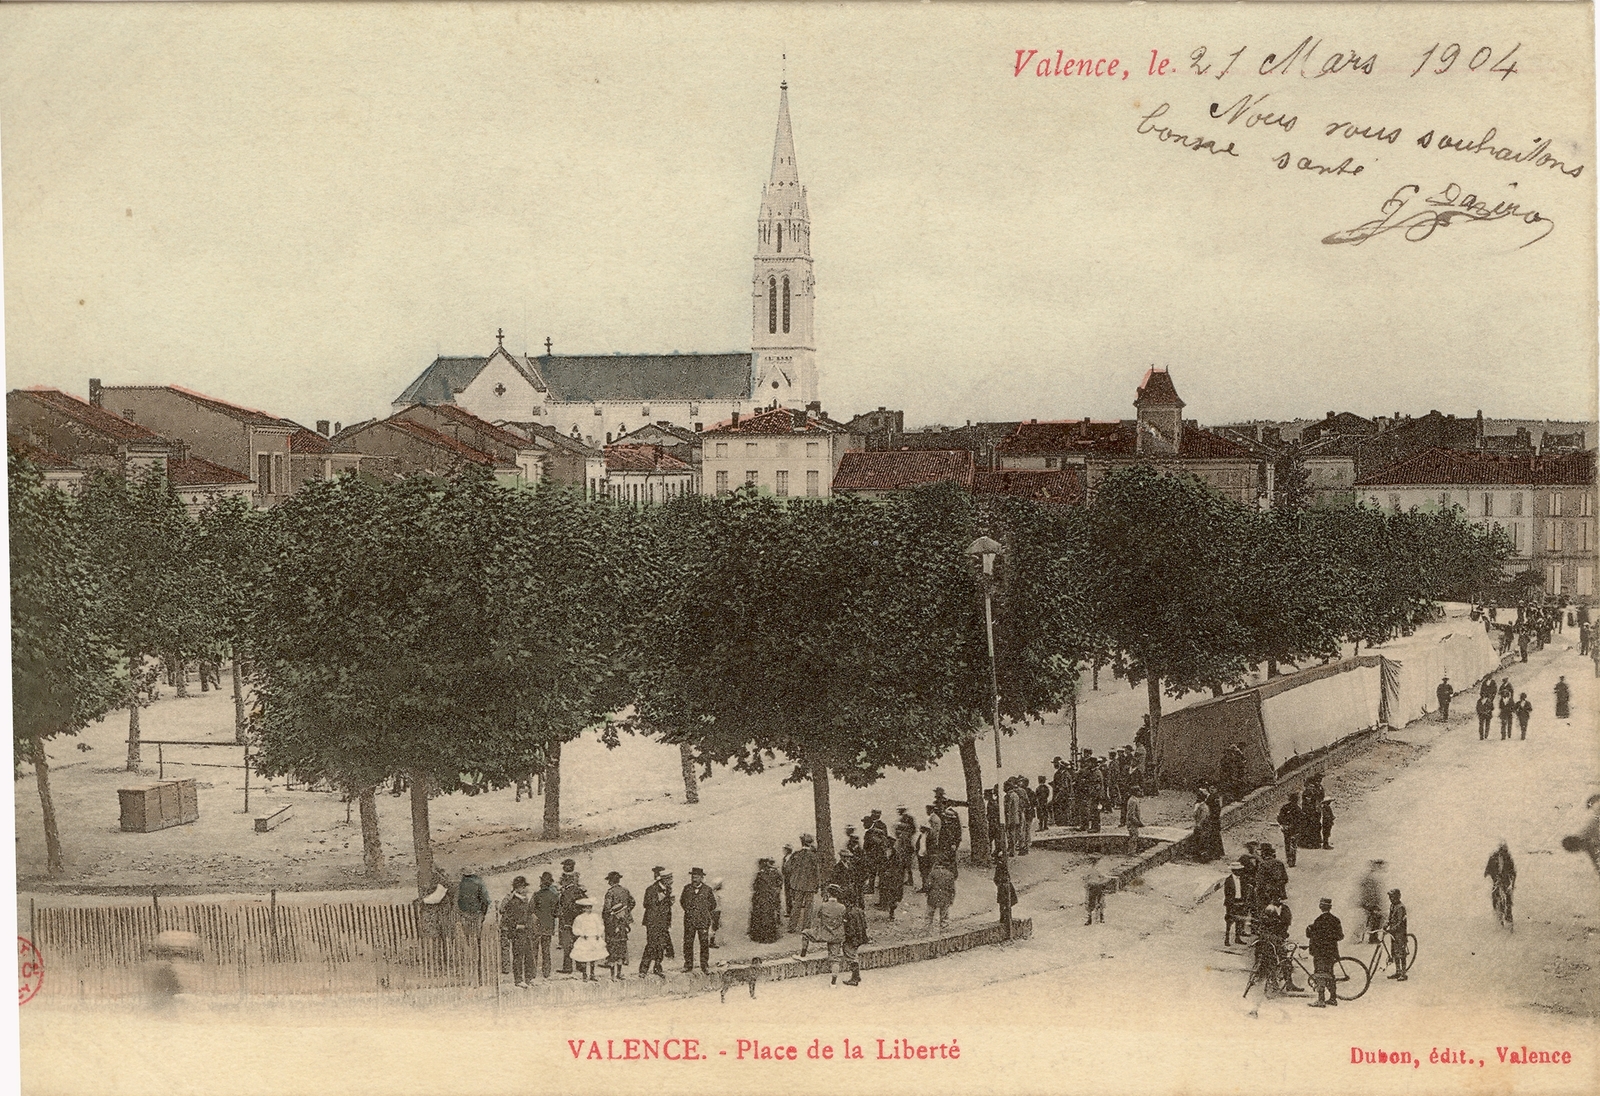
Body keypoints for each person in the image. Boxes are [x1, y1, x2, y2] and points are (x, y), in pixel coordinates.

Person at [802, 885, 849, 985]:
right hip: (836, 936)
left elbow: (817, 917)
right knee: (835, 958)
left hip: (823, 934)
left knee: (805, 933)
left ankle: (803, 954)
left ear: (828, 894)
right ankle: (833, 983)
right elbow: (845, 920)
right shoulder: (842, 907)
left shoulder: (823, 906)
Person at [1257, 896, 1303, 993]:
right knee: (1271, 963)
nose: (1276, 899)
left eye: (1277, 897)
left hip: (1280, 939)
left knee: (1285, 961)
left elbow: (1287, 922)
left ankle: (1289, 983)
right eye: (1274, 897)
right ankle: (1273, 983)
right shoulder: (1267, 909)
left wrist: (1283, 934)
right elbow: (1262, 925)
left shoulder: (1285, 909)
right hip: (1269, 941)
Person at [1305, 898, 1345, 1007]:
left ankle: (1321, 1000)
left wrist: (1309, 929)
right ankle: (1333, 998)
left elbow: (1311, 935)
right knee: (1330, 974)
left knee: (1320, 974)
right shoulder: (1335, 920)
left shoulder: (1318, 921)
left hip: (1320, 952)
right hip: (1331, 952)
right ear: (1330, 907)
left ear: (1320, 907)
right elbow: (1340, 936)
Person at [680, 867, 718, 974]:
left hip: (703, 921)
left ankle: (704, 965)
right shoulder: (687, 888)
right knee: (688, 943)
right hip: (689, 921)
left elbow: (713, 904)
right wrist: (690, 911)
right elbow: (682, 901)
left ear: (702, 878)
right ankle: (688, 965)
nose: (694, 879)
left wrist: (703, 911)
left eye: (696, 877)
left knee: (704, 944)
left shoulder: (707, 890)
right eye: (693, 877)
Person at [638, 867, 674, 977]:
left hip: (663, 922)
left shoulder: (668, 890)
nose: (671, 881)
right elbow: (646, 904)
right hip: (653, 922)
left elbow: (667, 908)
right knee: (651, 944)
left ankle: (657, 967)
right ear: (663, 879)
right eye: (669, 879)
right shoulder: (651, 889)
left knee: (661, 945)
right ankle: (643, 970)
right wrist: (660, 899)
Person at [501, 876, 535, 987]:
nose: (525, 889)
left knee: (529, 955)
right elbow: (507, 919)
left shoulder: (525, 900)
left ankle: (529, 978)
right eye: (523, 887)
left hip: (527, 932)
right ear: (518, 888)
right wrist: (516, 926)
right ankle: (519, 980)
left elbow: (529, 915)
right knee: (518, 956)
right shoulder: (512, 902)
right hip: (518, 934)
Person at [601, 871, 635, 980]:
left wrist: (606, 918)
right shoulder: (625, 891)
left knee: (612, 944)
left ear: (610, 881)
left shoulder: (610, 893)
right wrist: (626, 912)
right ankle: (620, 969)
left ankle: (611, 967)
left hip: (612, 922)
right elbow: (632, 902)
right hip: (623, 921)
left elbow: (607, 908)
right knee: (622, 942)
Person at [785, 835, 822, 933]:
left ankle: (792, 927)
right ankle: (806, 928)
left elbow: (787, 868)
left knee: (796, 906)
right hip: (810, 885)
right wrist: (817, 883)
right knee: (808, 907)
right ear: (810, 843)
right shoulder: (813, 856)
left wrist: (795, 876)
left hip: (797, 885)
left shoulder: (796, 854)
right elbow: (817, 872)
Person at [570, 897, 607, 982]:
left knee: (593, 957)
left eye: (590, 907)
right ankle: (584, 975)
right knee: (584, 957)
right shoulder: (579, 918)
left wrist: (599, 933)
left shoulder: (595, 916)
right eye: (586, 907)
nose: (588, 909)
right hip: (585, 939)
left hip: (594, 938)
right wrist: (582, 934)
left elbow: (600, 926)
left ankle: (592, 974)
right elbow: (575, 929)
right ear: (583, 908)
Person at [557, 862, 583, 974]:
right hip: (578, 922)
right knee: (578, 944)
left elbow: (563, 908)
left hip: (567, 922)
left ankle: (568, 968)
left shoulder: (565, 893)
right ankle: (580, 965)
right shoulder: (580, 891)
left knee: (568, 946)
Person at [749, 857, 784, 943]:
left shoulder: (759, 875)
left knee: (760, 916)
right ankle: (770, 936)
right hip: (769, 898)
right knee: (769, 916)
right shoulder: (773, 873)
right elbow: (779, 882)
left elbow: (754, 886)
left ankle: (758, 936)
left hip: (760, 898)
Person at [1484, 842, 1517, 925]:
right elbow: (1488, 870)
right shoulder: (1494, 857)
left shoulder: (1507, 858)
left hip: (1505, 881)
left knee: (1507, 900)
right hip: (1497, 881)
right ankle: (1500, 916)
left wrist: (1512, 883)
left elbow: (1512, 871)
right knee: (1497, 898)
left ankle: (1507, 918)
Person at [458, 869, 491, 942]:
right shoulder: (479, 882)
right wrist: (483, 913)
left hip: (465, 912)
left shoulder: (461, 883)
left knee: (467, 936)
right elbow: (485, 899)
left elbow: (458, 900)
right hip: (476, 912)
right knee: (477, 935)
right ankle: (477, 950)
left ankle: (470, 948)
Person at [1223, 860, 1251, 946]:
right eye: (1238, 870)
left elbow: (1245, 890)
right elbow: (1227, 893)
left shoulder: (1243, 879)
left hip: (1241, 901)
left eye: (1240, 870)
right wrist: (1231, 903)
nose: (1240, 872)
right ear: (1233, 871)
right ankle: (1227, 939)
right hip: (1232, 903)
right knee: (1229, 922)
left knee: (1240, 921)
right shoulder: (1228, 880)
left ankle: (1237, 938)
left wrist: (1245, 901)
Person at [1358, 860, 1386, 943]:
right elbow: (1373, 892)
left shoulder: (1371, 875)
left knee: (1371, 919)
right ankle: (1371, 938)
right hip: (1369, 902)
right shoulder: (1373, 877)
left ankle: (1368, 937)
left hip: (1369, 902)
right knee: (1374, 918)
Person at [842, 898, 868, 987]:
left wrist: (846, 937)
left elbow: (850, 929)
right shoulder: (859, 910)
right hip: (860, 938)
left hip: (852, 939)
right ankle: (857, 976)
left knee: (850, 956)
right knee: (854, 955)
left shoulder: (848, 913)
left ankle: (854, 978)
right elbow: (865, 925)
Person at [926, 856, 956, 930]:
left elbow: (928, 885)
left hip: (933, 896)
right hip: (945, 897)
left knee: (930, 914)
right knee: (944, 915)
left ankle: (928, 928)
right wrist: (952, 899)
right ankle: (943, 929)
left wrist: (927, 892)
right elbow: (952, 889)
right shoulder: (950, 874)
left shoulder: (932, 873)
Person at [1385, 888, 1409, 981]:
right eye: (1390, 897)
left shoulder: (1400, 907)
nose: (1391, 899)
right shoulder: (1392, 906)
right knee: (1395, 953)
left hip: (1400, 933)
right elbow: (1390, 918)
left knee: (1401, 954)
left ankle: (1403, 973)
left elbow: (1400, 922)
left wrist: (1392, 929)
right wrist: (1386, 925)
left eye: (1393, 897)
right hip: (1393, 933)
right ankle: (1397, 971)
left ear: (1398, 897)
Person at [994, 855, 1018, 939]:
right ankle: (1004, 917)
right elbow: (996, 879)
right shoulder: (999, 867)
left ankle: (1005, 917)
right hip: (1003, 887)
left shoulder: (1002, 866)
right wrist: (1002, 884)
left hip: (1005, 886)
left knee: (1007, 901)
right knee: (1003, 902)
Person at [1083, 859, 1110, 925]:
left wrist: (1101, 883)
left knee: (1100, 902)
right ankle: (1089, 919)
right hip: (1092, 888)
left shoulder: (1100, 870)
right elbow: (1085, 880)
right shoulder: (1088, 871)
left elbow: (1106, 878)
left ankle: (1101, 917)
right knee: (1090, 903)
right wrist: (1088, 885)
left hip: (1099, 887)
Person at [1277, 795, 1300, 867]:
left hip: (1286, 828)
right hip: (1294, 829)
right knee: (1293, 844)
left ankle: (1288, 859)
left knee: (1287, 843)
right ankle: (1292, 860)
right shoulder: (1297, 808)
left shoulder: (1285, 807)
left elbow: (1279, 817)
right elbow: (1301, 820)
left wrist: (1283, 825)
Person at [1192, 791, 1214, 864]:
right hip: (1200, 825)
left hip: (1202, 826)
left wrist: (1199, 824)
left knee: (1202, 841)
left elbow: (1203, 817)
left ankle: (1203, 858)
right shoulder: (1200, 805)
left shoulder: (1203, 806)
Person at [1124, 787, 1145, 855]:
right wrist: (1138, 823)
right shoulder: (1132, 801)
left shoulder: (1135, 799)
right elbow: (1131, 814)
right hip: (1132, 822)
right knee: (1133, 836)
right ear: (1135, 792)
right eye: (1139, 791)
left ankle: (1132, 851)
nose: (1140, 792)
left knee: (1134, 836)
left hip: (1133, 822)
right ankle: (1131, 852)